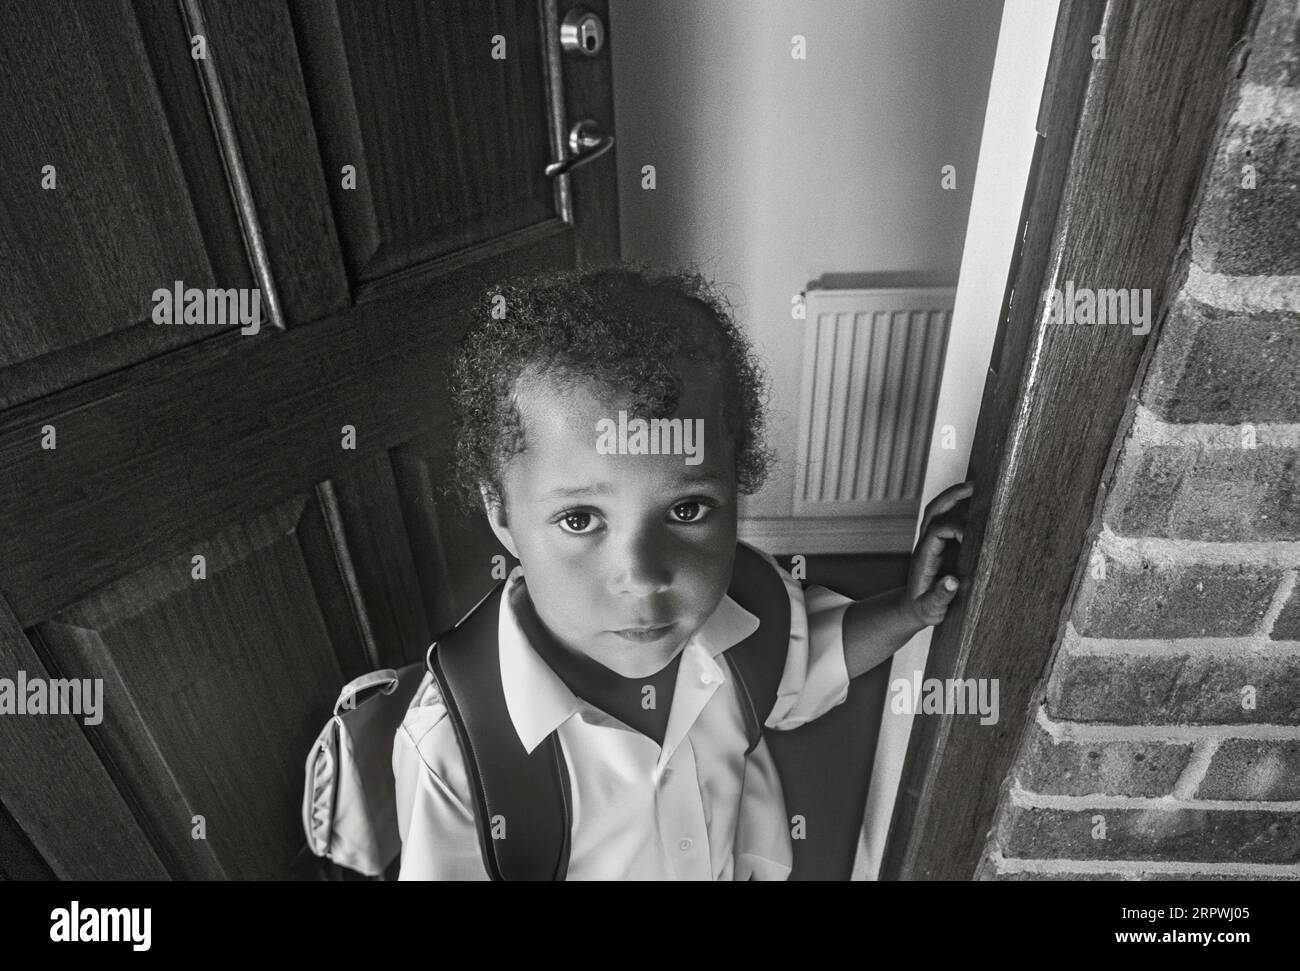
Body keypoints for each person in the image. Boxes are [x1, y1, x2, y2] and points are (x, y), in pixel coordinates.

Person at [392, 263, 972, 879]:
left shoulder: (751, 609)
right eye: (580, 519)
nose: (642, 577)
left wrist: (907, 611)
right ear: (502, 514)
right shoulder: (452, 753)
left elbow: (808, 658)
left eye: (685, 509)